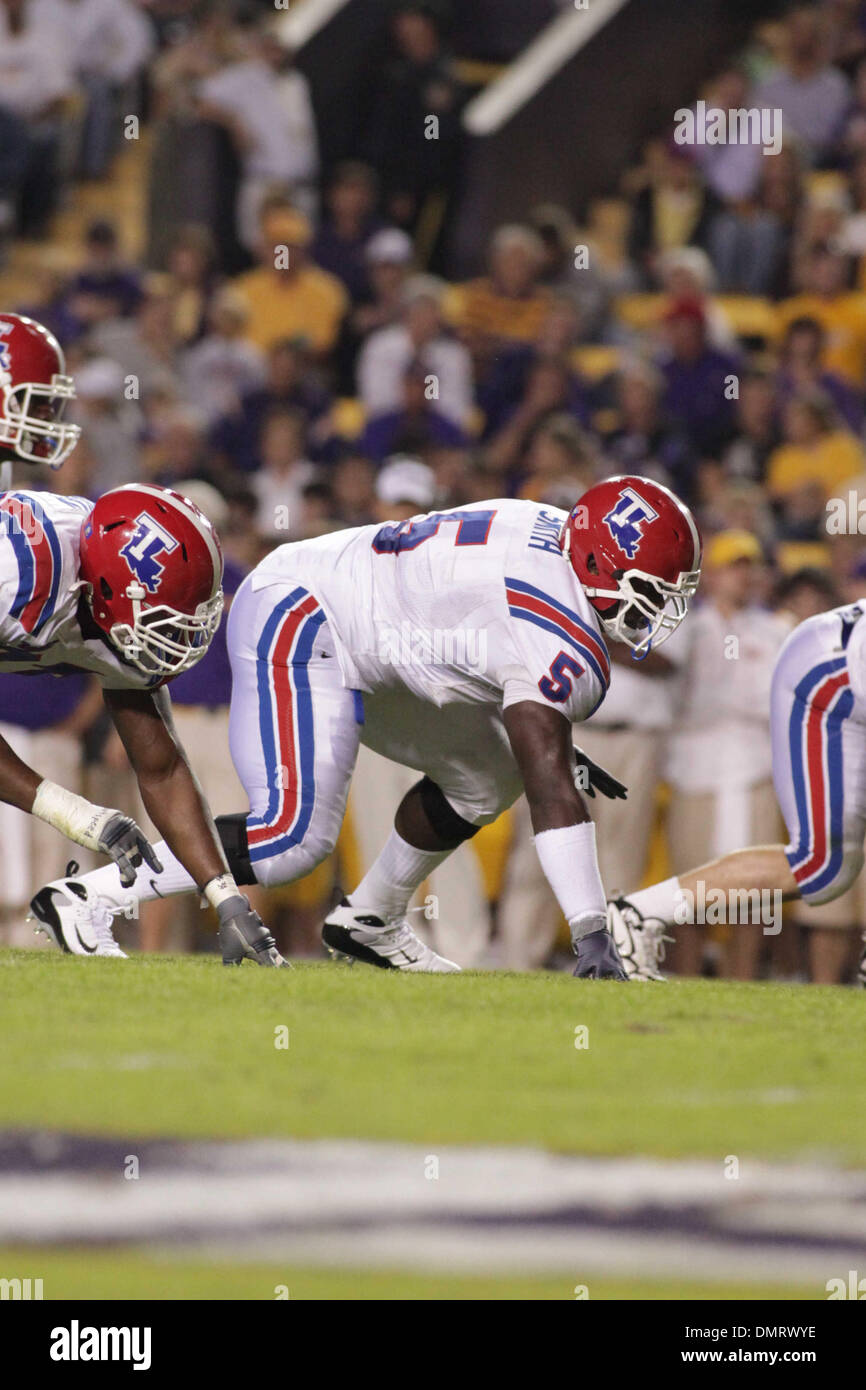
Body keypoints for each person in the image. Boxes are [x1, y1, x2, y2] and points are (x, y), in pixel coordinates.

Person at [37, 476, 702, 981]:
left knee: (485, 777)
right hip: (304, 611)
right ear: (596, 566)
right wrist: (592, 934)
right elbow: (551, 783)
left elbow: (502, 680)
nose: (658, 607)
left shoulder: (553, 529)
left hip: (379, 639)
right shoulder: (561, 623)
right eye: (649, 588)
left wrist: (549, 741)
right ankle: (87, 896)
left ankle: (370, 918)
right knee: (292, 840)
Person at [0, 471, 286, 969]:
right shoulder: (18, 572)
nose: (181, 639)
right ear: (110, 589)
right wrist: (81, 816)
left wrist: (228, 902)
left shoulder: (111, 597)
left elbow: (162, 769)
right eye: (162, 616)